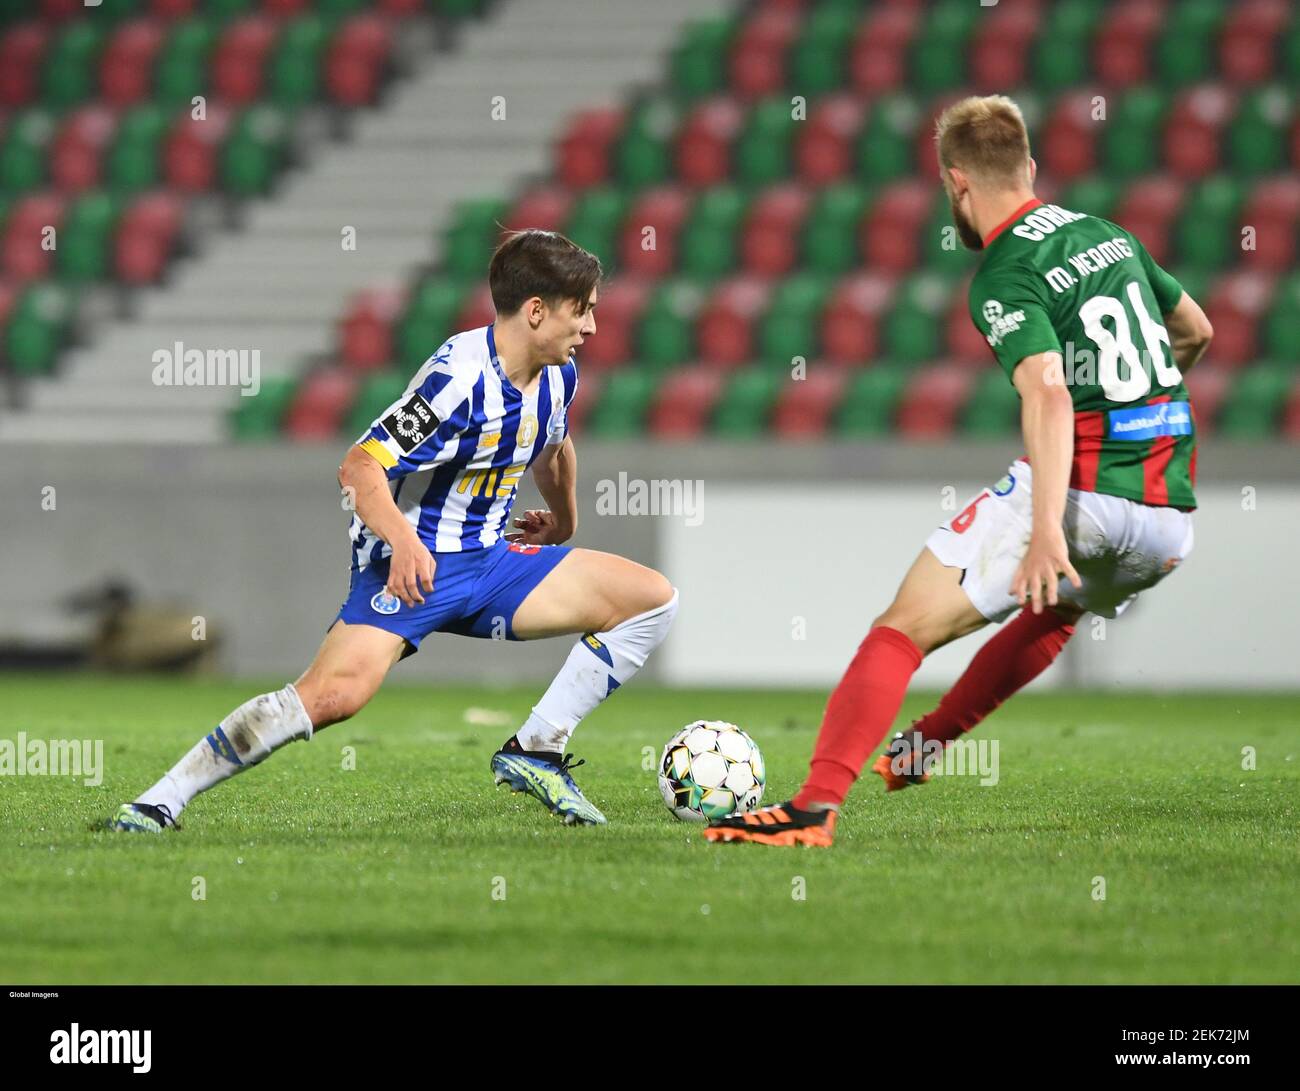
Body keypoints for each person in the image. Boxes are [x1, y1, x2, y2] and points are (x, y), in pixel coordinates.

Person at [706, 94, 1212, 847]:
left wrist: (1047, 529)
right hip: (1169, 524)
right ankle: (926, 743)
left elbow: (1044, 385)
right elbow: (1195, 330)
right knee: (1060, 610)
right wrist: (1140, 405)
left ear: (956, 184)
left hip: (1083, 497)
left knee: (899, 632)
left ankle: (812, 807)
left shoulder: (1005, 272)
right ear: (1030, 167)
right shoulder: (1111, 235)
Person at [111, 230, 677, 833]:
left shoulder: (559, 374)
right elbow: (359, 468)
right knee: (333, 697)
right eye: (582, 309)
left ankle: (535, 749)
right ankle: (161, 799)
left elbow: (555, 447)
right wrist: (404, 543)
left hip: (490, 562)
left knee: (651, 601)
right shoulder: (457, 381)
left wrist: (564, 521)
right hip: (410, 568)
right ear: (536, 311)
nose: (591, 325)